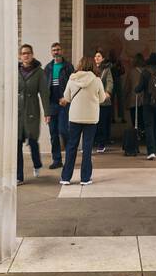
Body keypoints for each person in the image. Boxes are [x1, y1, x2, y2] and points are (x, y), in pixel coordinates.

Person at [59, 55, 109, 186]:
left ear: (80, 65)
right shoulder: (97, 80)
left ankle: (66, 177)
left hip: (75, 117)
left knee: (71, 146)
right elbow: (102, 99)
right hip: (91, 118)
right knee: (87, 148)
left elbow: (67, 97)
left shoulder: (72, 79)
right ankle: (85, 178)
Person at [17, 44, 50, 183]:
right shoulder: (15, 71)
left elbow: (44, 93)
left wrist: (47, 112)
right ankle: (19, 176)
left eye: (28, 53)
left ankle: (37, 164)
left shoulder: (39, 72)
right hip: (17, 112)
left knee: (32, 141)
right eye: (23, 53)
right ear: (20, 56)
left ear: (32, 55)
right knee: (17, 143)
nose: (26, 55)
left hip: (32, 111)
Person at [44, 42, 74, 170]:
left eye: (58, 49)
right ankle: (57, 160)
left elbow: (74, 84)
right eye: (54, 50)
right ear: (51, 52)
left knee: (64, 131)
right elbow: (44, 88)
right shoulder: (48, 68)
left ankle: (69, 159)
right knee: (53, 133)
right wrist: (46, 110)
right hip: (52, 104)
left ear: (62, 51)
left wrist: (67, 98)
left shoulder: (68, 66)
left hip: (64, 104)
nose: (56, 52)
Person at [93, 50, 114, 153]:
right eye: (95, 56)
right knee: (93, 123)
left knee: (102, 124)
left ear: (103, 58)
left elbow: (110, 82)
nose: (96, 58)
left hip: (103, 102)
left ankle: (101, 144)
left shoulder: (106, 70)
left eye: (99, 56)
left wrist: (108, 92)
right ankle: (93, 142)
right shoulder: (91, 69)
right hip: (93, 101)